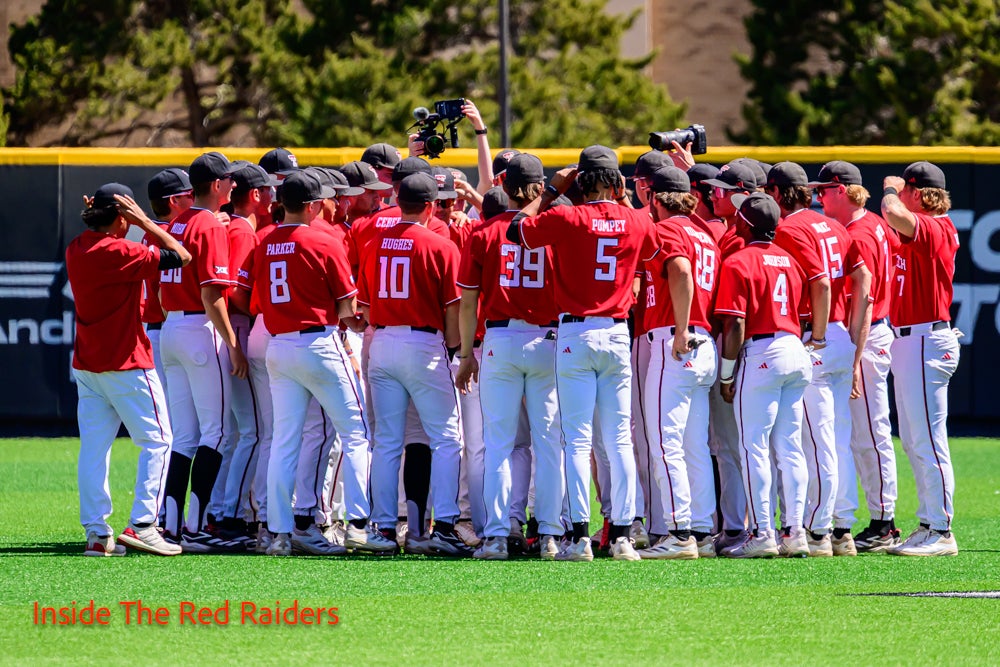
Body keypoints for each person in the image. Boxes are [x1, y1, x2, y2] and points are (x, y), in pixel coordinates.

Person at [506, 145, 660, 562]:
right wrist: (624, 199)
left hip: (575, 333)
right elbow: (652, 250)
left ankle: (578, 538)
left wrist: (552, 191)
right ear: (616, 181)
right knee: (618, 441)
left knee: (576, 441)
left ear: (581, 181)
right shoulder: (636, 219)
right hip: (615, 332)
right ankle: (624, 535)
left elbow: (516, 230)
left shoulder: (565, 215)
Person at [234, 170, 394, 556]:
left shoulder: (265, 240)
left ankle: (279, 533)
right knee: (356, 433)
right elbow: (345, 306)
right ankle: (357, 525)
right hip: (318, 343)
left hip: (278, 346)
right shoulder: (322, 239)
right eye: (321, 199)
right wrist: (355, 319)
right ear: (310, 205)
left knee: (284, 442)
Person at [67, 183, 190, 557]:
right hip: (127, 363)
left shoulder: (77, 247)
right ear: (121, 218)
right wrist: (143, 222)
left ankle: (96, 533)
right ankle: (143, 525)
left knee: (94, 448)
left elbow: (110, 234)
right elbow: (181, 255)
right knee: (159, 441)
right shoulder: (121, 250)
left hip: (89, 366)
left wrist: (116, 216)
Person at [455, 153, 565, 560]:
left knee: (498, 444)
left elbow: (468, 303)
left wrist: (467, 354)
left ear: (504, 187)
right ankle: (551, 534)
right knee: (549, 443)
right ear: (540, 187)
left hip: (499, 339)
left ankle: (498, 535)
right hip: (547, 339)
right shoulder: (553, 229)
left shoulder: (483, 232)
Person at [358, 173, 473, 557]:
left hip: (383, 339)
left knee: (387, 441)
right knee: (446, 438)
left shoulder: (373, 243)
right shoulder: (440, 244)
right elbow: (453, 308)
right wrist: (459, 352)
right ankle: (441, 527)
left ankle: (383, 529)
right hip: (423, 344)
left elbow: (366, 304)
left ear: (397, 200)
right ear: (429, 206)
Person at [766, 161, 869, 557]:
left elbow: (821, 283)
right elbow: (864, 284)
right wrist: (850, 344)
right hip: (842, 335)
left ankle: (819, 529)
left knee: (817, 441)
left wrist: (820, 337)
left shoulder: (790, 228)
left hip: (819, 336)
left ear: (776, 193)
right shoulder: (836, 226)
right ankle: (842, 527)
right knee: (837, 439)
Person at [158, 151, 248, 552]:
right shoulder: (209, 224)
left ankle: (173, 526)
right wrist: (233, 344)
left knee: (185, 436)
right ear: (216, 185)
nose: (232, 185)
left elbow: (162, 292)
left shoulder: (175, 221)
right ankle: (195, 528)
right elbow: (213, 294)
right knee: (217, 432)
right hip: (199, 327)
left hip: (171, 327)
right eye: (229, 179)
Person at [715, 193, 813, 558]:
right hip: (794, 348)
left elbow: (735, 323)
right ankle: (796, 531)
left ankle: (763, 534)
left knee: (753, 447)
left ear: (745, 224)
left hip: (762, 351)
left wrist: (727, 374)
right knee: (789, 448)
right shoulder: (790, 261)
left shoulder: (739, 261)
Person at [811, 160, 900, 553]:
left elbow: (863, 299)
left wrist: (855, 361)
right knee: (864, 433)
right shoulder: (874, 225)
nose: (818, 196)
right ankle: (880, 518)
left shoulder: (859, 234)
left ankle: (884, 521)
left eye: (825, 190)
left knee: (868, 434)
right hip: (873, 332)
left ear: (844, 191)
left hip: (865, 335)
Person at [638, 166, 720, 559]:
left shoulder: (666, 229)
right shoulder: (704, 232)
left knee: (665, 442)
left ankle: (679, 532)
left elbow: (682, 270)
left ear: (656, 198)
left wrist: (680, 328)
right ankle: (701, 529)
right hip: (704, 345)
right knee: (694, 446)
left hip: (676, 339)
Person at [880, 161, 961, 557]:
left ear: (918, 193)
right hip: (911, 340)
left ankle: (943, 531)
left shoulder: (938, 225)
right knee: (914, 440)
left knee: (928, 439)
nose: (900, 194)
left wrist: (890, 189)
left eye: (907, 188)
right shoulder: (918, 230)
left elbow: (894, 212)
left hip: (929, 339)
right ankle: (929, 522)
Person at [142, 168, 194, 384]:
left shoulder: (154, 233)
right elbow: (164, 291)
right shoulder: (167, 236)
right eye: (190, 195)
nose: (195, 199)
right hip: (162, 328)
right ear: (174, 200)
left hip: (157, 330)